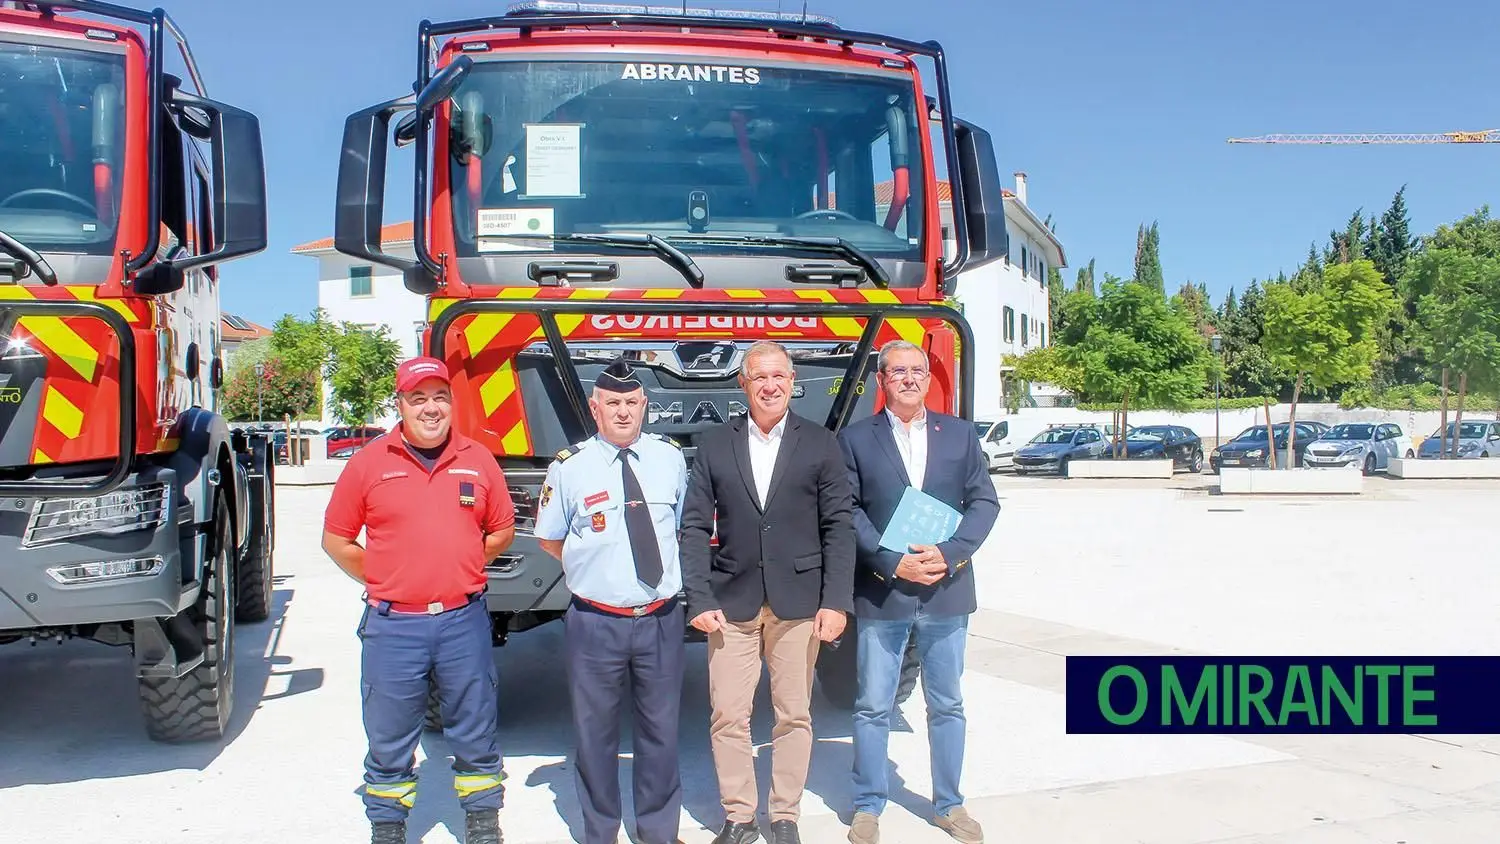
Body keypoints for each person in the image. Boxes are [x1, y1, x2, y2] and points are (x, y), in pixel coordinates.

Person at [321, 356, 515, 844]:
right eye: (419, 398)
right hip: (394, 626)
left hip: (462, 620)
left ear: (453, 403)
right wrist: (387, 579)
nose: (431, 408)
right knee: (389, 734)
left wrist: (464, 561)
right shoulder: (368, 462)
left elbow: (503, 529)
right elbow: (337, 540)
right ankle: (388, 826)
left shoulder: (478, 458)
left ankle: (482, 821)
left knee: (474, 728)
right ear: (401, 405)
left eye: (440, 397)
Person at [680, 340, 855, 844]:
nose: (770, 385)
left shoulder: (820, 443)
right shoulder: (715, 444)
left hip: (800, 603)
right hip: (730, 602)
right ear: (743, 384)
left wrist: (835, 600)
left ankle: (784, 815)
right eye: (760, 377)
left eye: (779, 376)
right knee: (728, 716)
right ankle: (739, 816)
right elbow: (693, 527)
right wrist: (700, 598)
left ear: (793, 381)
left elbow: (839, 527)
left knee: (793, 714)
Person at [835, 340, 1000, 844]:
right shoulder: (855, 439)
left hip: (946, 592)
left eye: (917, 371)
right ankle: (868, 805)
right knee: (872, 705)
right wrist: (890, 562)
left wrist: (951, 553)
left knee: (947, 703)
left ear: (929, 380)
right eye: (898, 371)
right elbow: (848, 511)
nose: (909, 378)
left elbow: (984, 503)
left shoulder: (961, 435)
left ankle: (949, 804)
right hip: (884, 593)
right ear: (881, 381)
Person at [533, 358, 690, 844]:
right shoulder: (570, 468)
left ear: (644, 406)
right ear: (594, 408)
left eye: (631, 403)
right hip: (595, 622)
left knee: (661, 735)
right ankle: (600, 831)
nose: (623, 412)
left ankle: (658, 832)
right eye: (612, 404)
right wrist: (595, 573)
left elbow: (679, 527)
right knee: (595, 737)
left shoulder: (670, 458)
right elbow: (550, 540)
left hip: (661, 619)